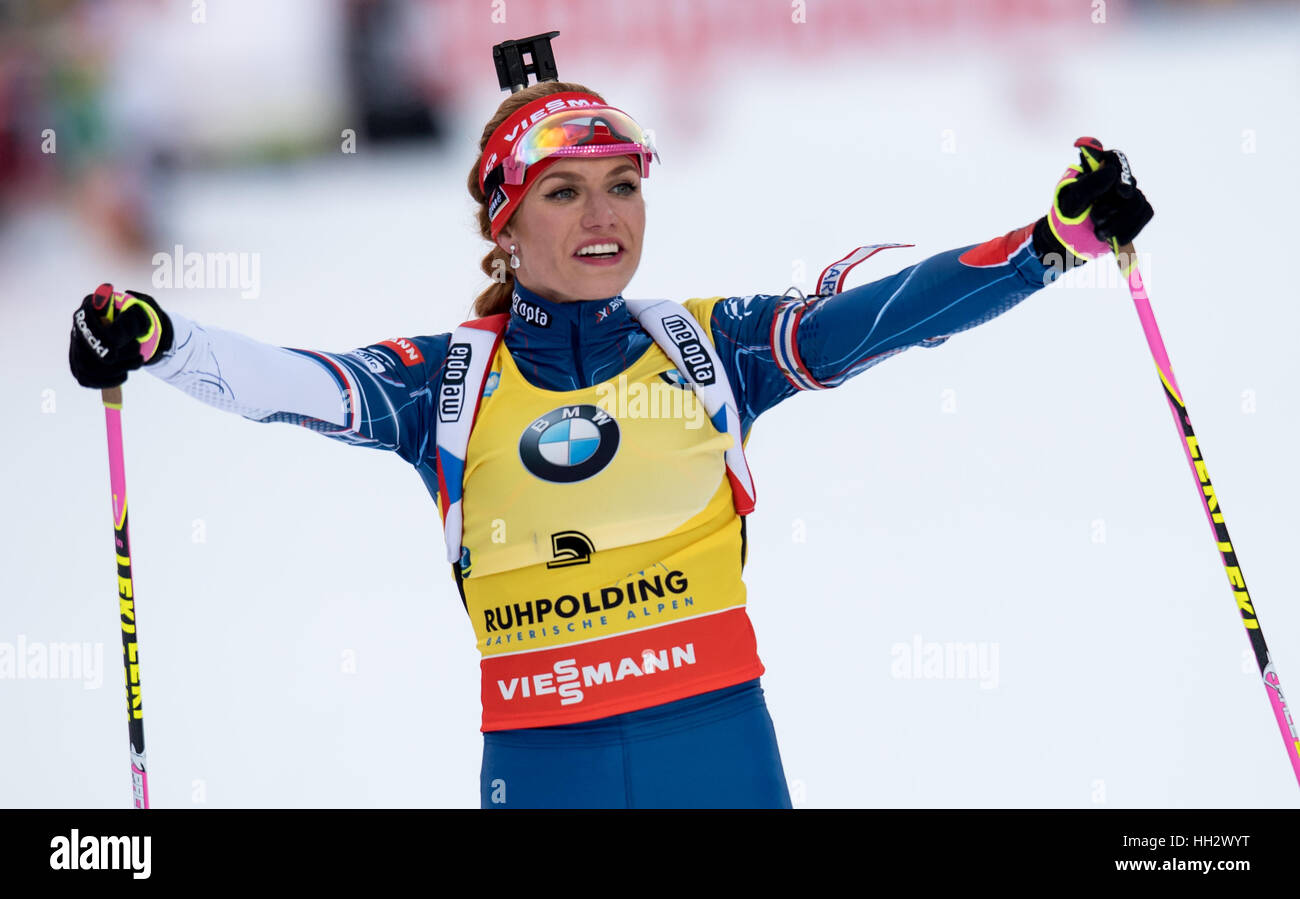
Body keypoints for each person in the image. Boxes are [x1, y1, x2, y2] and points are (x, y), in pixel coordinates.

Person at [68, 80, 1153, 809]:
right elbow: (295, 385)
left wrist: (1048, 245)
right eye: (565, 191)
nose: (605, 216)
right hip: (543, 765)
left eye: (624, 185)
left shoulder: (708, 347)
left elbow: (884, 315)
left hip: (718, 749)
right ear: (506, 217)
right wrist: (160, 338)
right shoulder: (447, 380)